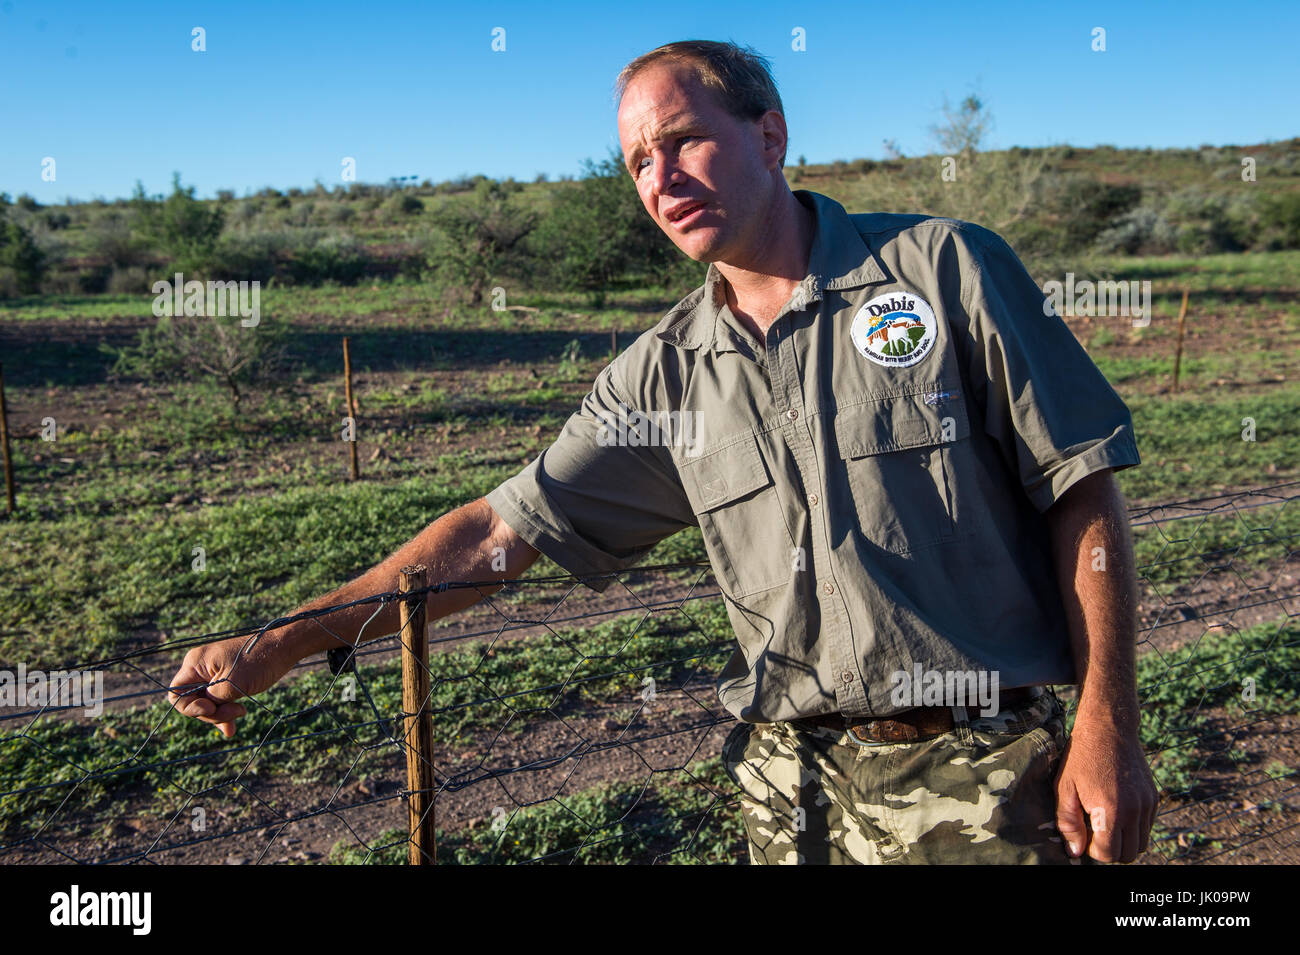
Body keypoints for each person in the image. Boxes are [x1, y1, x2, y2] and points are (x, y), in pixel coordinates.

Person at [169, 39, 1158, 865]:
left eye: (683, 140)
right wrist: (287, 641)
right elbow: (492, 537)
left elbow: (1080, 489)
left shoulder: (940, 269)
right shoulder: (662, 377)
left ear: (769, 135)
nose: (660, 179)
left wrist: (1107, 720)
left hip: (980, 772)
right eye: (638, 161)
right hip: (789, 786)